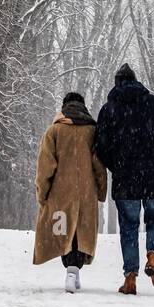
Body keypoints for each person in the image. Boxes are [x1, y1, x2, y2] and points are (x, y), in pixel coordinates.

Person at [96, 62, 154, 295]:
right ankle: (153, 257)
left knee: (129, 227)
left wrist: (117, 165)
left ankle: (130, 278)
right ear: (136, 81)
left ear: (117, 84)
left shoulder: (108, 110)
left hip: (126, 179)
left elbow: (100, 146)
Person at [33, 91, 107, 292]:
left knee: (63, 230)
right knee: (81, 231)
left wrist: (43, 193)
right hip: (86, 191)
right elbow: (98, 164)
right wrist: (101, 191)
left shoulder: (54, 131)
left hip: (60, 192)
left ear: (64, 107)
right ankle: (74, 271)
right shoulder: (92, 131)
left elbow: (45, 167)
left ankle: (71, 272)